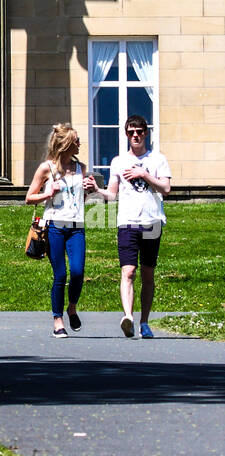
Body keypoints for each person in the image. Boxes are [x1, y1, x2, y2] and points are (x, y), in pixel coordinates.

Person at [90, 115, 171, 339]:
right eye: (130, 132)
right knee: (128, 271)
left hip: (152, 222)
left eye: (139, 131)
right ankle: (129, 317)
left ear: (146, 133)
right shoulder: (118, 162)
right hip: (127, 223)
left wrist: (143, 174)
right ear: (126, 134)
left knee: (147, 274)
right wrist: (97, 189)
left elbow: (166, 188)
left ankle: (145, 321)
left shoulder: (158, 160)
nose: (135, 135)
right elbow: (113, 195)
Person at [26, 123, 98, 337]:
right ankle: (58, 320)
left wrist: (89, 191)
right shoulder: (46, 168)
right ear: (66, 144)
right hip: (55, 226)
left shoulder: (80, 168)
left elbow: (79, 200)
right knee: (60, 275)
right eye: (76, 141)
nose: (79, 144)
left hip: (76, 226)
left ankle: (72, 307)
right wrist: (48, 193)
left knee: (77, 272)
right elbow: (29, 198)